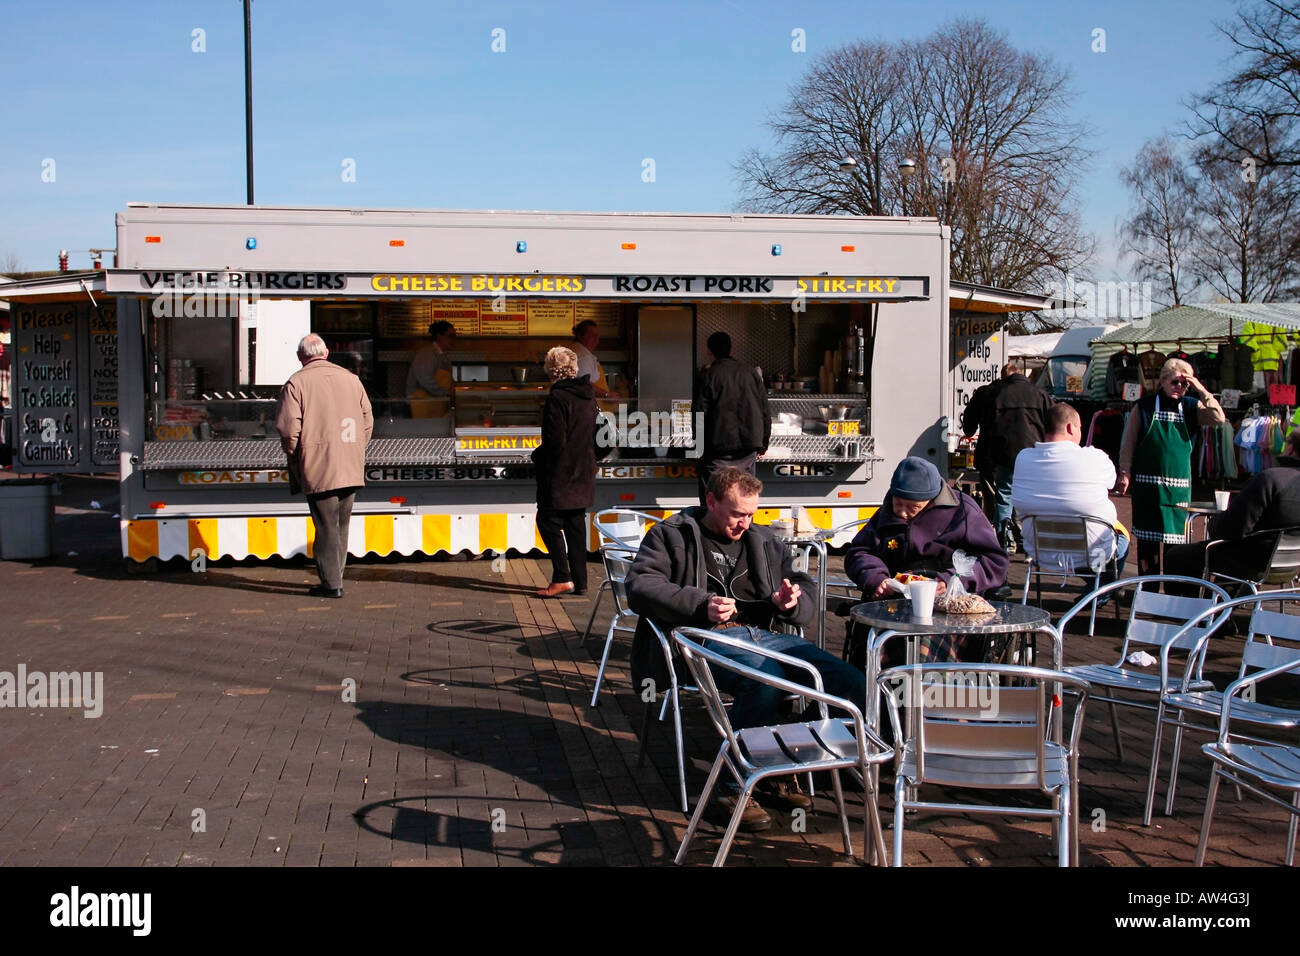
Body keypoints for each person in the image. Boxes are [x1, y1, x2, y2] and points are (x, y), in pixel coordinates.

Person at [626, 467, 867, 830]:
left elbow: (803, 589)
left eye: (752, 514)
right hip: (698, 639)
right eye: (737, 514)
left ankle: (780, 762)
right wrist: (699, 604)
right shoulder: (671, 534)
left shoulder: (764, 539)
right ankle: (731, 786)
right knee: (765, 683)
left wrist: (790, 603)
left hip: (763, 635)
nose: (745, 524)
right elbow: (640, 586)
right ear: (710, 500)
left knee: (849, 682)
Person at [845, 456, 1009, 662]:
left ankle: (929, 689)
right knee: (878, 641)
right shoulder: (887, 511)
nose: (903, 513)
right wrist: (876, 578)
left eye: (912, 507)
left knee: (924, 644)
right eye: (898, 504)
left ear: (930, 500)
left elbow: (995, 561)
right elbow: (860, 551)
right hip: (895, 601)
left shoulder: (963, 511)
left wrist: (950, 580)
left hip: (949, 607)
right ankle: (878, 689)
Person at [275, 333, 374, 598]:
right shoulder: (352, 380)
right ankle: (336, 577)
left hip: (318, 465)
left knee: (326, 526)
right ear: (327, 353)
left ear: (300, 356)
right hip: (350, 464)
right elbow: (367, 420)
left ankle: (331, 585)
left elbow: (288, 429)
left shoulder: (296, 383)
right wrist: (354, 448)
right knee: (342, 524)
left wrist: (296, 454)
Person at [1116, 358, 1225, 575]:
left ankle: (1174, 595)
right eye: (1175, 382)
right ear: (1163, 380)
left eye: (1184, 384)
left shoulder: (1192, 407)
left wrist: (1200, 389)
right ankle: (1147, 592)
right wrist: (1125, 470)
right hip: (1148, 490)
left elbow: (1218, 418)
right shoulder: (1145, 406)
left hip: (1178, 491)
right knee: (1148, 548)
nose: (1180, 387)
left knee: (1175, 548)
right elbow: (1128, 442)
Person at [1164, 429, 1300, 583]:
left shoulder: (1270, 479)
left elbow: (1232, 527)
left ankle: (1197, 605)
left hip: (1251, 561)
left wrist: (1213, 524)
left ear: (1290, 449)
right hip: (1289, 566)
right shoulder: (1279, 481)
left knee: (1176, 556)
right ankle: (1223, 599)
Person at [1011, 402, 1130, 577]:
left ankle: (1094, 591)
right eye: (1080, 427)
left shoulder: (1023, 458)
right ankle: (1097, 593)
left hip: (1041, 553)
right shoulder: (1095, 457)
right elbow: (1111, 482)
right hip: (1092, 553)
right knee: (1121, 540)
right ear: (1070, 428)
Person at [532, 347, 600, 598]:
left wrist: (537, 456)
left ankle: (562, 577)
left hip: (560, 473)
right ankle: (581, 582)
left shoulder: (557, 398)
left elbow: (555, 441)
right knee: (574, 523)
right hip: (583, 469)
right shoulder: (588, 394)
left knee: (547, 521)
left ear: (551, 370)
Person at [694, 331, 770, 505]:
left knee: (713, 502)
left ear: (709, 352)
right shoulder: (751, 373)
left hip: (716, 452)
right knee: (744, 497)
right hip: (748, 450)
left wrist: (697, 449)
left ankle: (712, 532)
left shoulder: (709, 376)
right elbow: (765, 411)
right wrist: (763, 443)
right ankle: (744, 530)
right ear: (731, 350)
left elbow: (699, 414)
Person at [987, 361, 1055, 551]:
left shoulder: (999, 396)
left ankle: (1003, 542)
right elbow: (1053, 422)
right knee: (1034, 500)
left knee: (1004, 499)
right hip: (1034, 457)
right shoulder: (1040, 394)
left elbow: (991, 427)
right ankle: (1032, 543)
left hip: (1005, 456)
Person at [406, 320, 455, 419]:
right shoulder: (427, 354)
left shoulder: (442, 356)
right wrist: (445, 394)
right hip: (420, 405)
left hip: (433, 405)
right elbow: (426, 380)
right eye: (450, 336)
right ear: (439, 336)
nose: (453, 340)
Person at [570, 320, 617, 399]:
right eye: (591, 335)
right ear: (580, 336)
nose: (596, 339)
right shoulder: (583, 356)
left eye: (597, 335)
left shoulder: (579, 351)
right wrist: (606, 395)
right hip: (586, 407)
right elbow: (583, 384)